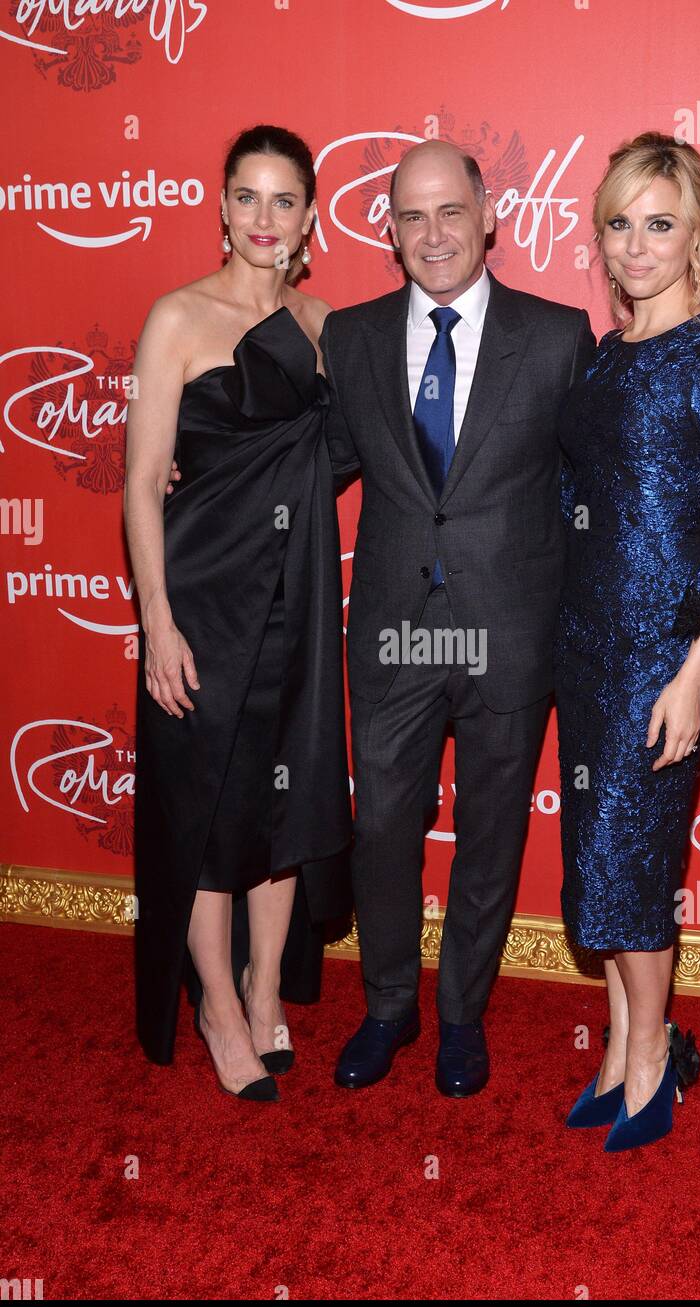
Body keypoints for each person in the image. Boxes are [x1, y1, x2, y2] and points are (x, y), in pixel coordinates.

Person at [320, 139, 595, 1097]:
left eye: (450, 212)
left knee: (491, 834)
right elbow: (320, 467)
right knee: (384, 826)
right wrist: (203, 479)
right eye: (410, 216)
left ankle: (463, 1017)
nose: (433, 235)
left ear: (489, 216)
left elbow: (593, 489)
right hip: (396, 630)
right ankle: (389, 1005)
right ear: (388, 231)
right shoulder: (349, 340)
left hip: (510, 633)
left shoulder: (559, 337)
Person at [554, 131, 700, 1150]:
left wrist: (695, 672)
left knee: (629, 861)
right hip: (584, 639)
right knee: (592, 865)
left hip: (666, 650)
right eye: (618, 223)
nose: (635, 244)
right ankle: (617, 1043)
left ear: (696, 233)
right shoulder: (604, 360)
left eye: (658, 223)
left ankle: (652, 1056)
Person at [125, 125, 351, 1101]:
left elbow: (363, 447)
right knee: (207, 808)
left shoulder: (325, 325)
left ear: (308, 216)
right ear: (220, 206)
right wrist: (158, 624)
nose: (264, 219)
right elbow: (140, 486)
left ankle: (266, 985)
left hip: (296, 597)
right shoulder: (176, 317)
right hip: (202, 600)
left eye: (284, 200)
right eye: (246, 197)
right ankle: (215, 1001)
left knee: (284, 797)